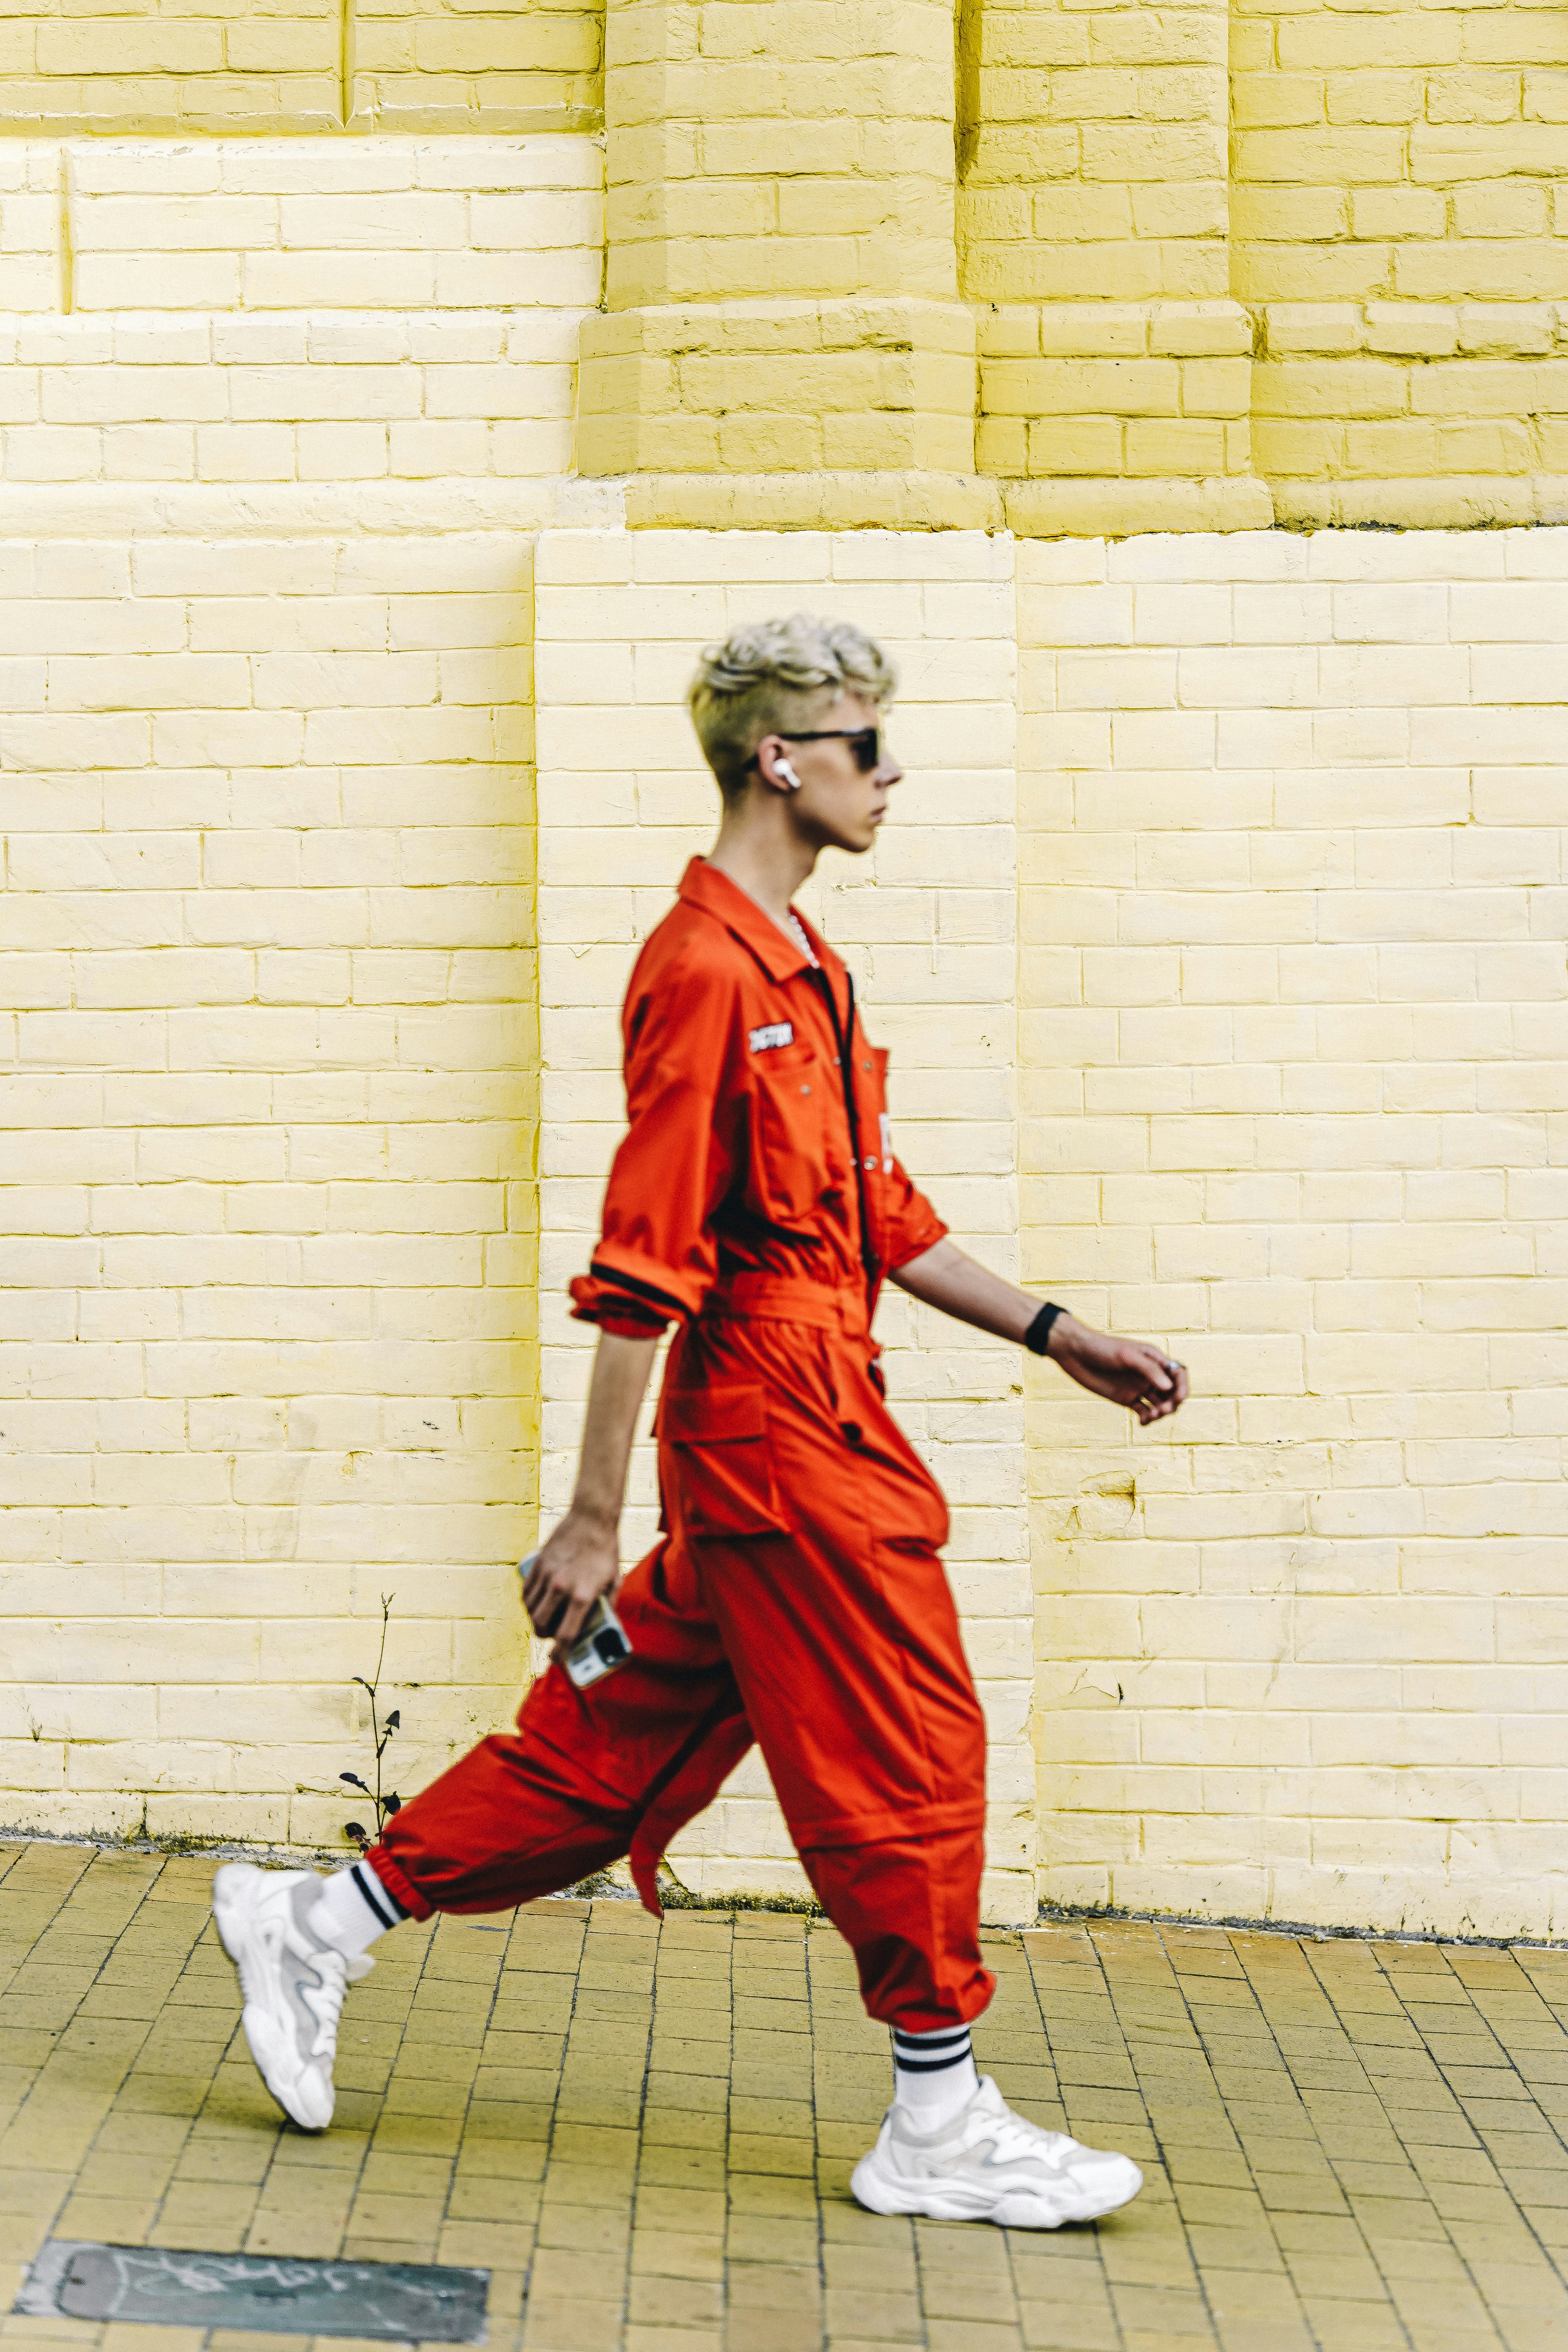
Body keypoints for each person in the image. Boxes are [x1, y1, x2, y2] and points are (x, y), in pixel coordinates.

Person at [213, 614, 1189, 2229]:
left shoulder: (804, 966)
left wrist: (1055, 1331)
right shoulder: (702, 971)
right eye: (867, 744)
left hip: (808, 1418)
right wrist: (592, 1517)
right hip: (777, 1438)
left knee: (607, 1747)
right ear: (780, 757)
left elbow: (872, 1205)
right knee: (910, 1743)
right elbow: (640, 1265)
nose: (891, 774)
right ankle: (936, 2114)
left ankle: (315, 1925)